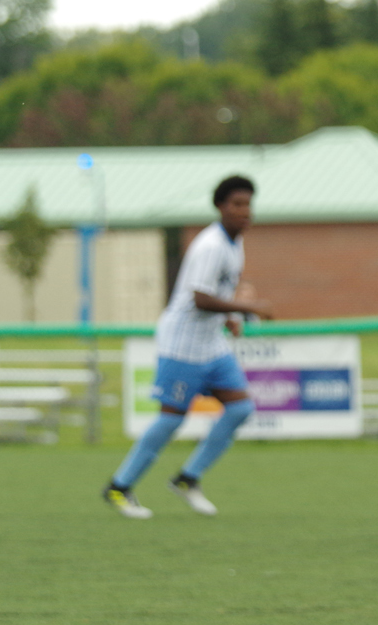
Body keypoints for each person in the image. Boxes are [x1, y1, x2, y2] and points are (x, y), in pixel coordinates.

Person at [103, 175, 272, 519]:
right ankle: (119, 487)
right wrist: (247, 307)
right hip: (182, 346)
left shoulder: (234, 243)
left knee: (240, 409)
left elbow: (216, 294)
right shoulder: (210, 245)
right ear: (220, 207)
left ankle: (187, 478)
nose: (244, 211)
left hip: (211, 345)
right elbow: (199, 298)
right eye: (237, 204)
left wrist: (228, 318)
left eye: (248, 204)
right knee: (170, 421)